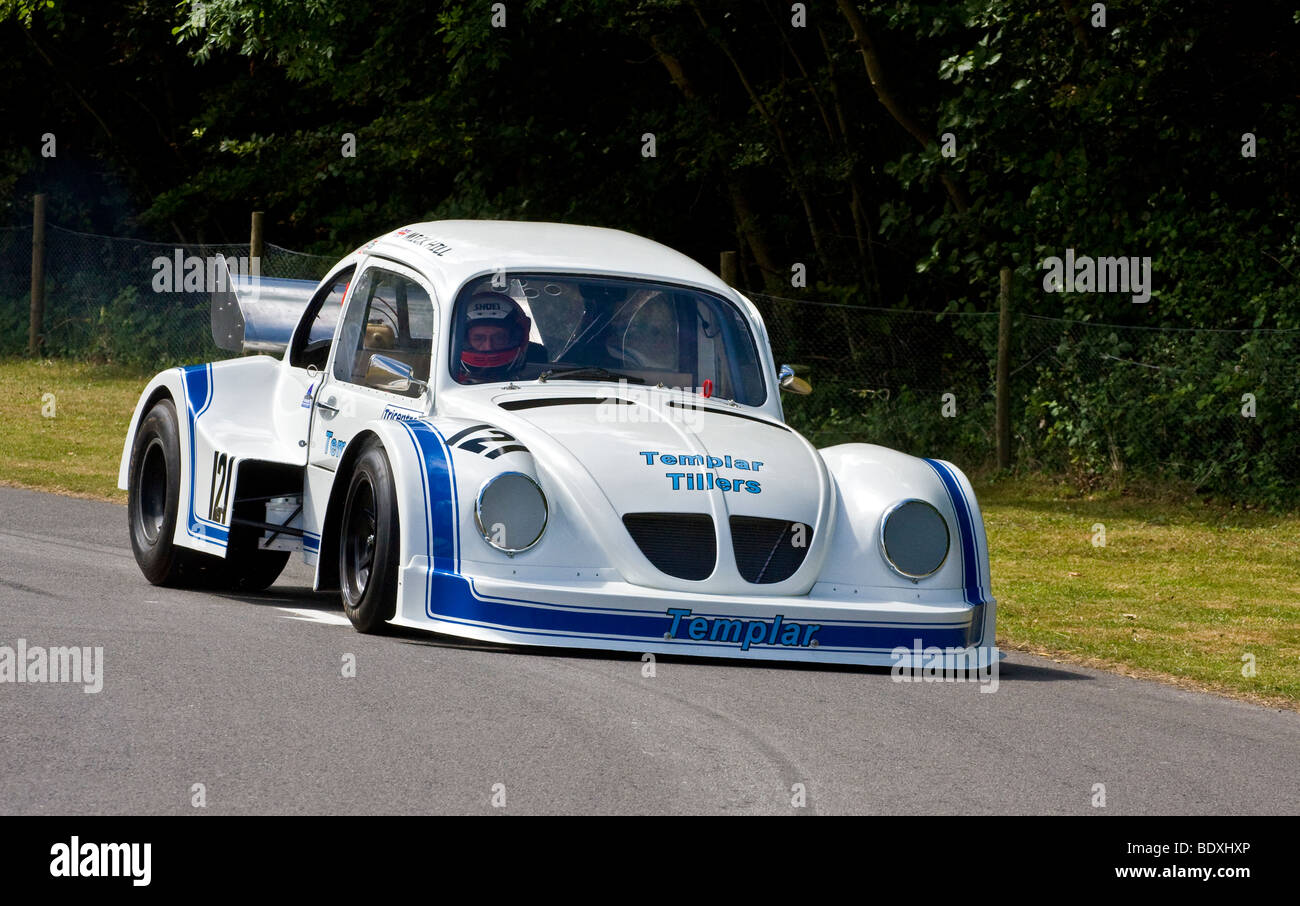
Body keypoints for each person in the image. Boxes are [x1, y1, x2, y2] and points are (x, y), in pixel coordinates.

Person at [456, 293, 532, 383]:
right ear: (464, 340)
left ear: (515, 337)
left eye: (499, 338)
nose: (488, 346)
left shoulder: (539, 371)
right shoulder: (443, 378)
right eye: (478, 338)